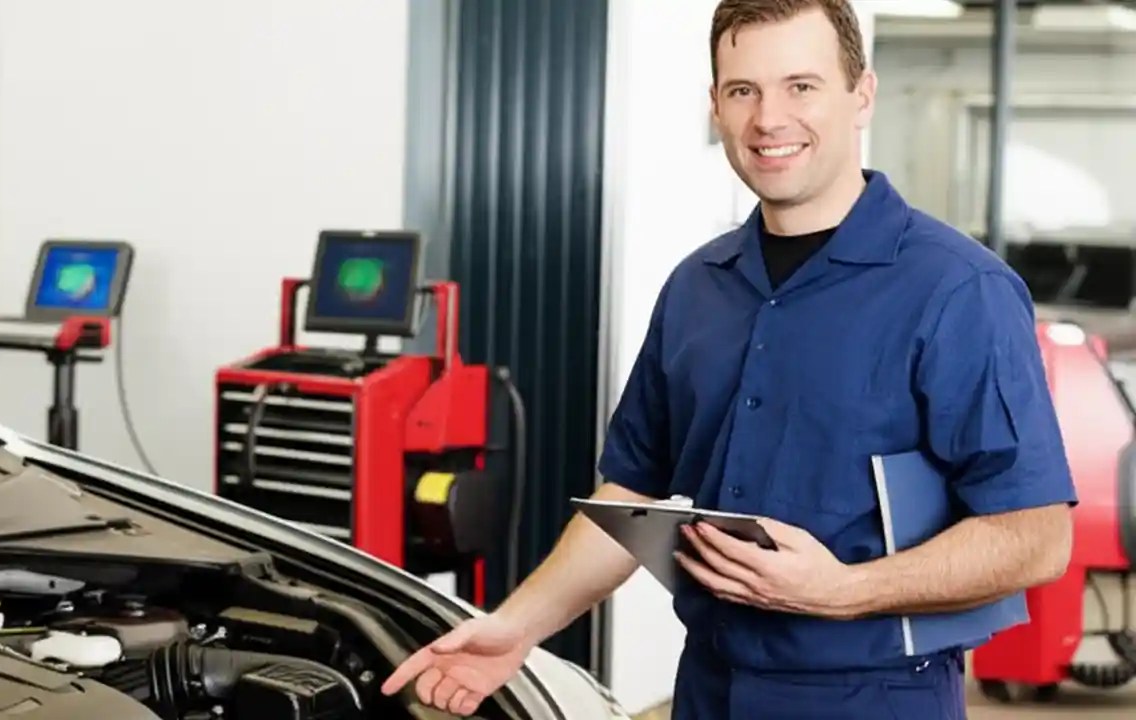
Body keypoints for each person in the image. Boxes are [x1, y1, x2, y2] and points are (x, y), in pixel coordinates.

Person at [380, 0, 1078, 717]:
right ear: (716, 106)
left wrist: (842, 590)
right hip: (709, 687)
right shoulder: (697, 286)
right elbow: (629, 496)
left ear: (860, 94)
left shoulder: (958, 289)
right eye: (744, 91)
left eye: (800, 86)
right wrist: (515, 629)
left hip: (874, 697)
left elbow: (1034, 537)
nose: (769, 118)